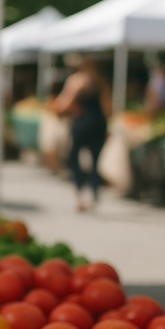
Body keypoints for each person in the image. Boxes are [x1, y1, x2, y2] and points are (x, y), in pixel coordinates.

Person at [50, 54, 111, 211]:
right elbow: (107, 107)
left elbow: (64, 104)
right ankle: (94, 194)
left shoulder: (76, 80)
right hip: (98, 123)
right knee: (95, 161)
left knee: (74, 158)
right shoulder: (100, 80)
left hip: (82, 122)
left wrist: (57, 108)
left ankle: (80, 195)